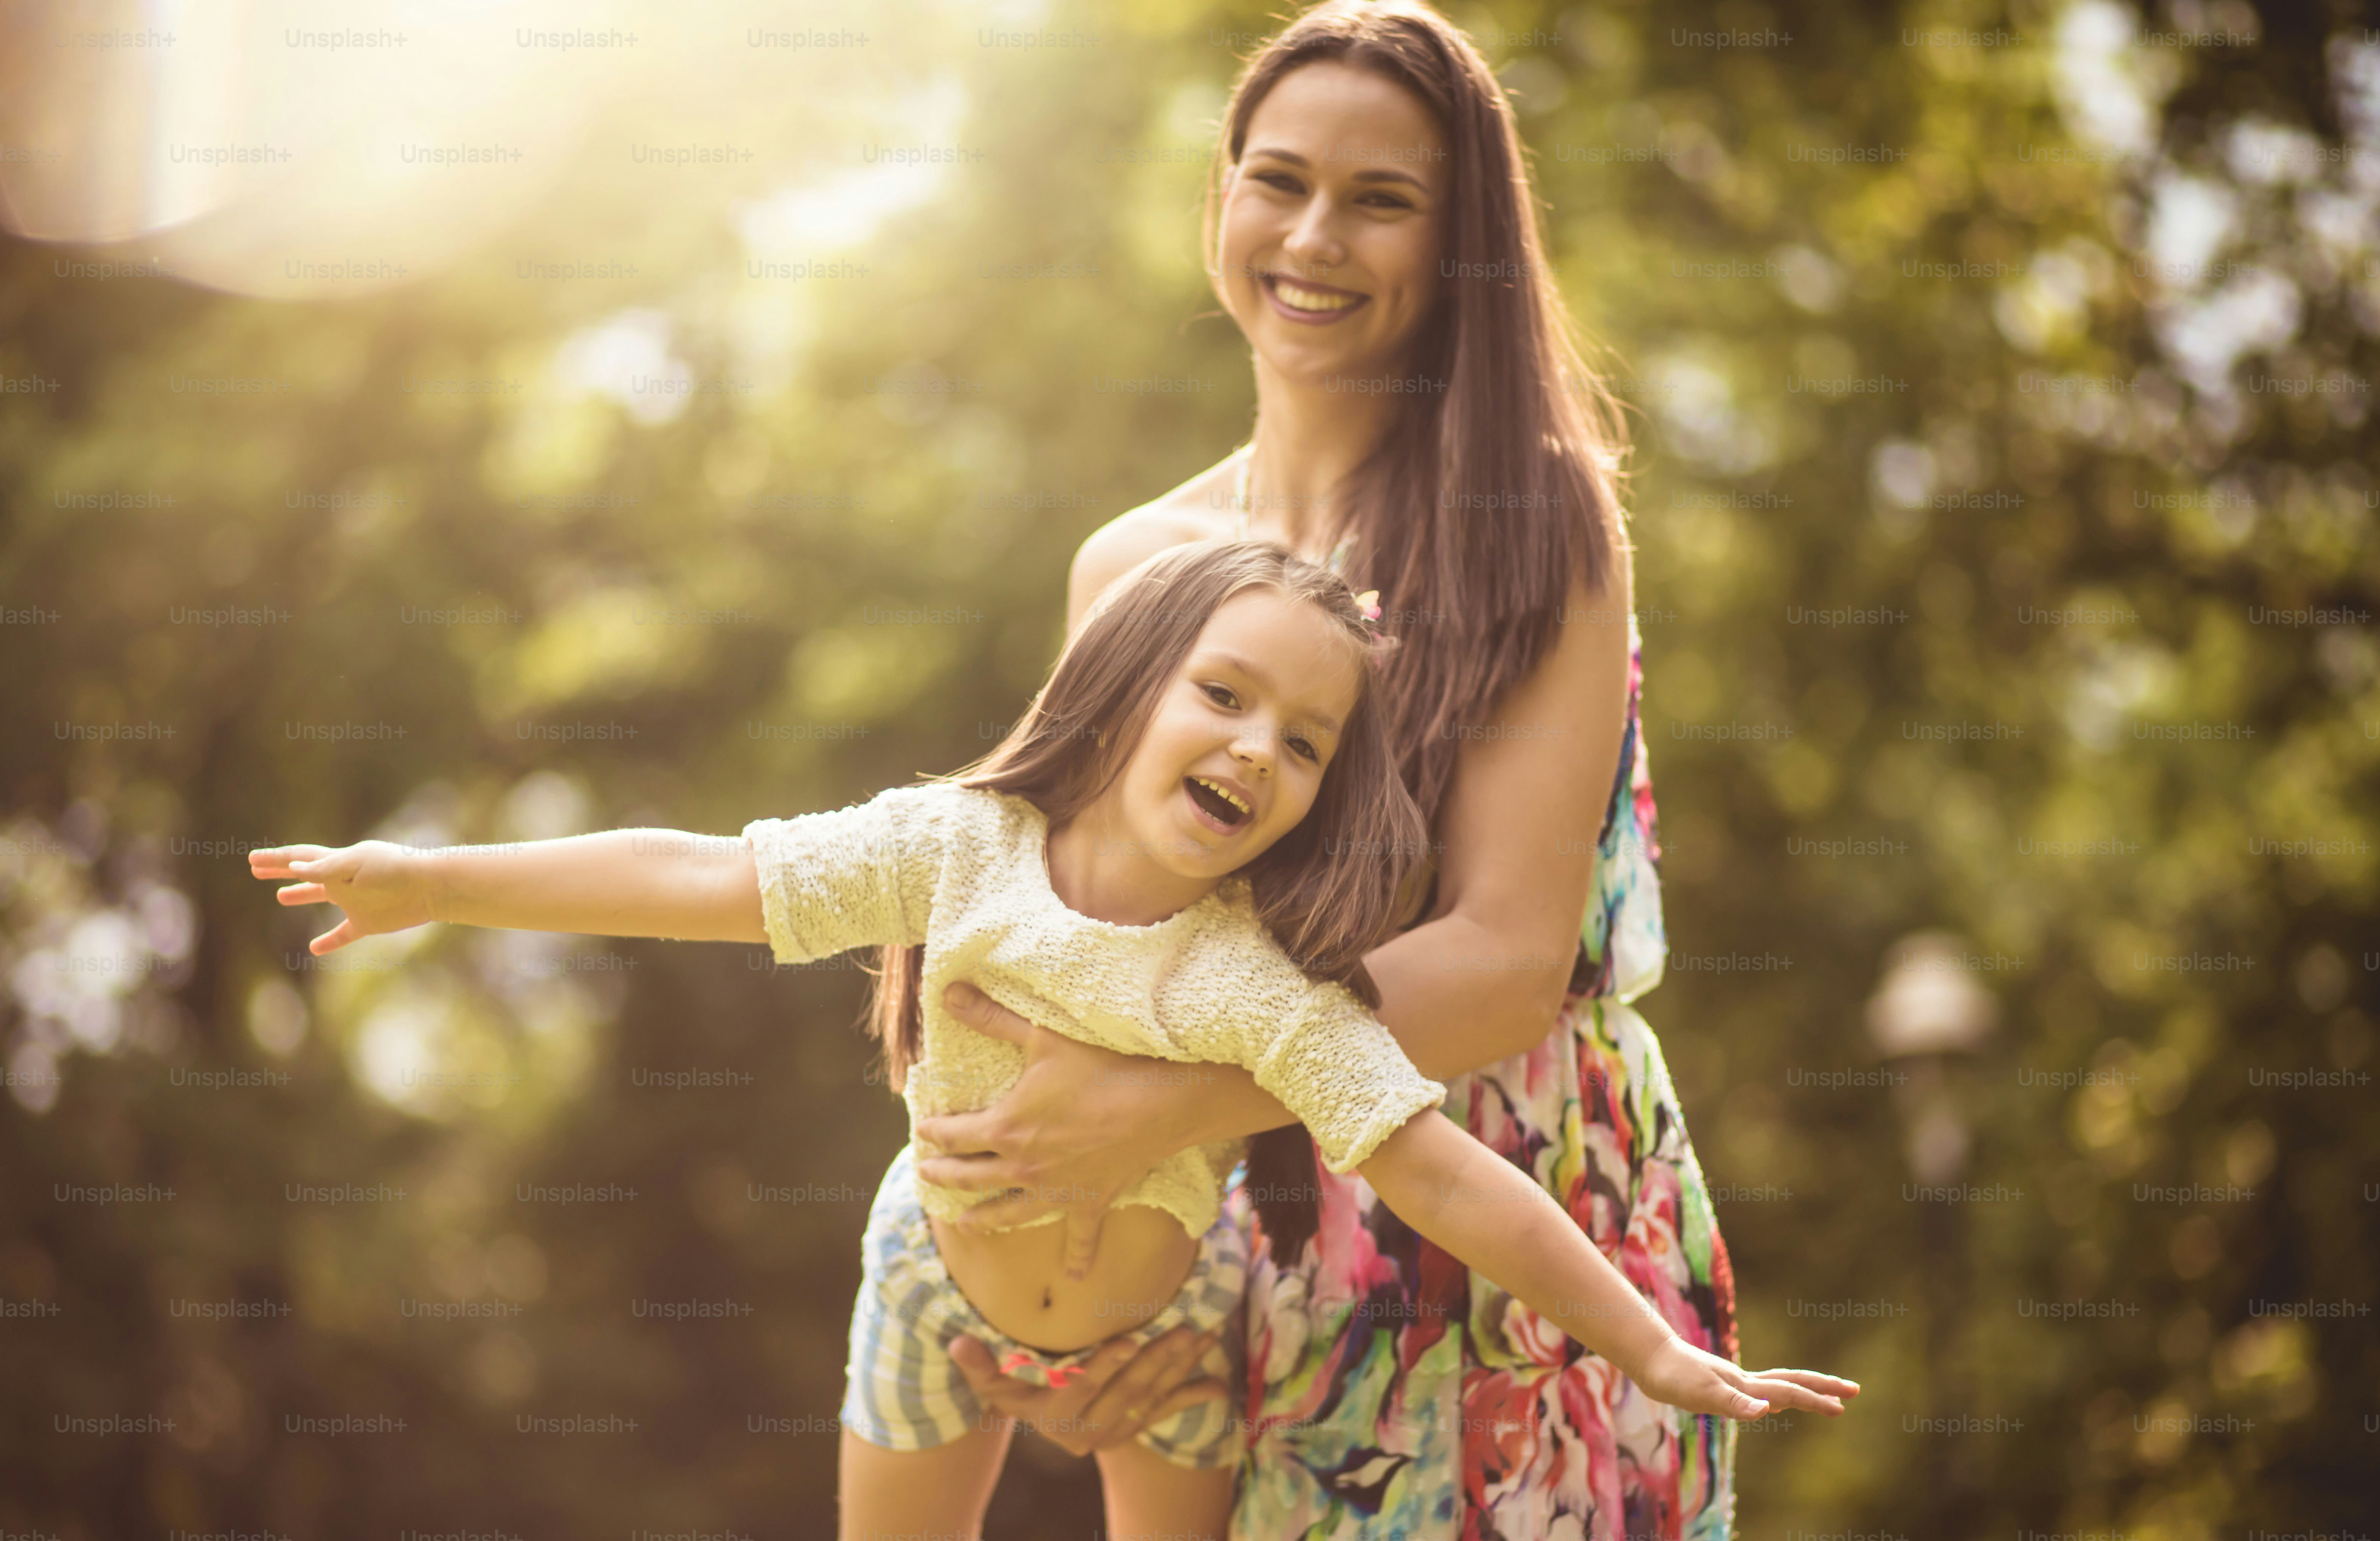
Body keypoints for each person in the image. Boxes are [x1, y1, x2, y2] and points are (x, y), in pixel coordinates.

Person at [249, 543, 1853, 1541]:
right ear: (1129, 681)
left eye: (1305, 743)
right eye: (1224, 694)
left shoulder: (1248, 984)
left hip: (1169, 1335)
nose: (1257, 748)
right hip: (930, 1280)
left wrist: (1649, 1345)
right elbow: (697, 873)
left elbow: (1439, 1173)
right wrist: (434, 880)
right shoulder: (953, 849)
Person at [904, 4, 1781, 1536]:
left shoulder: (1536, 519)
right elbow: (1076, 960)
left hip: (1526, 1233)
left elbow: (1505, 962)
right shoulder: (1129, 570)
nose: (1315, 237)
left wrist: (1158, 1107)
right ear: (1222, 195)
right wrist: (1088, 1306)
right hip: (1256, 1244)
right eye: (1280, 180)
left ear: (1460, 249)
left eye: (1382, 200)